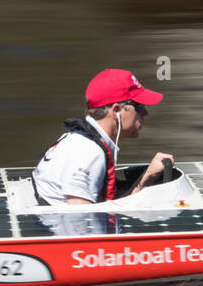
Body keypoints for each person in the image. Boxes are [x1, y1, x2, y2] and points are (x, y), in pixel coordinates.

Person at [31, 69, 174, 206]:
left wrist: (147, 177)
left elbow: (100, 210)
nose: (146, 113)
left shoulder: (79, 138)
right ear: (117, 111)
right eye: (140, 107)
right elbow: (79, 218)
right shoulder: (90, 153)